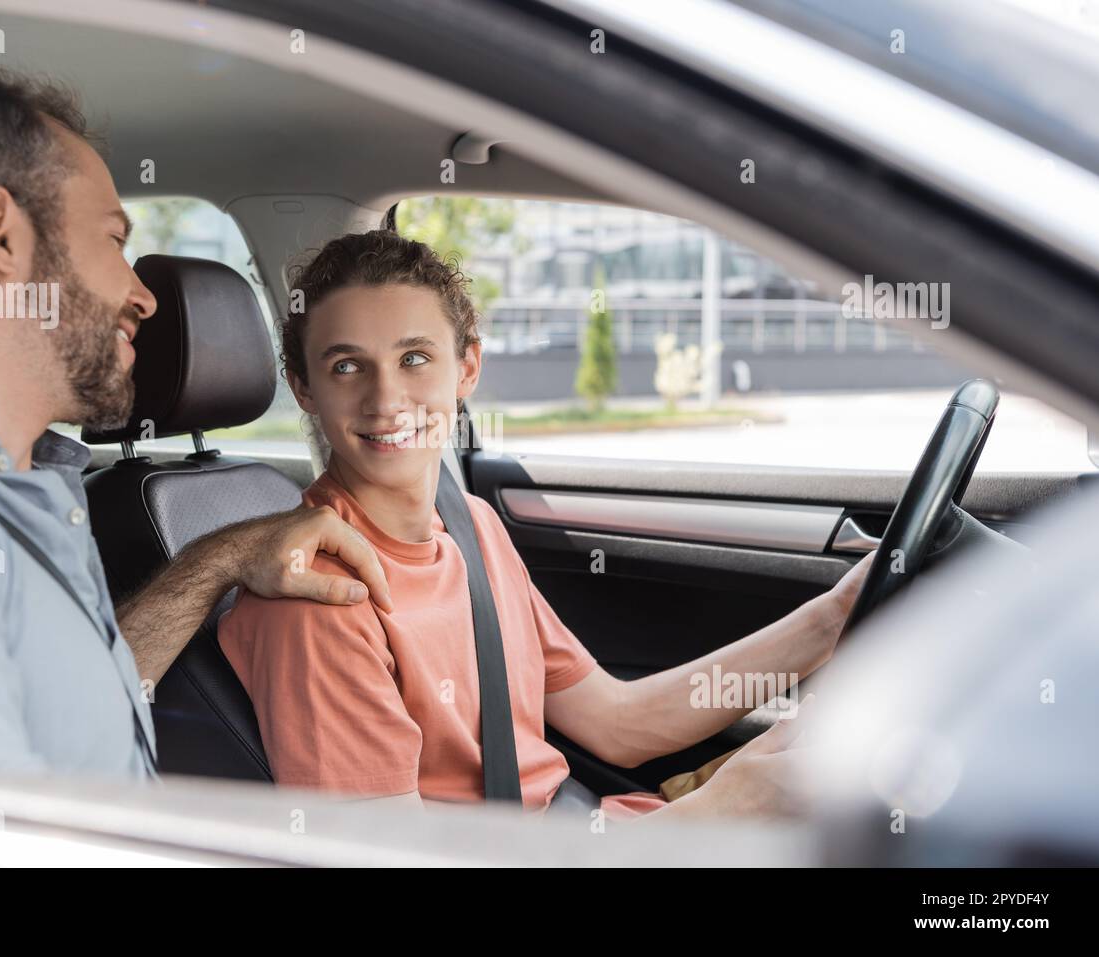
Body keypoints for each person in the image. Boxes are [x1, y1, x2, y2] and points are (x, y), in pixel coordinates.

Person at [0, 71, 391, 777]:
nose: (142, 295)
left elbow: (74, 723)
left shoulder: (17, 478)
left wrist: (219, 562)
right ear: (1, 234)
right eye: (113, 240)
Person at [218, 230, 872, 820]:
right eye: (347, 365)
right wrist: (720, 810)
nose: (387, 399)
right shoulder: (320, 598)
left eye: (415, 358)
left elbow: (616, 722)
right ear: (304, 388)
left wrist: (834, 617)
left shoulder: (471, 526)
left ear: (467, 366)